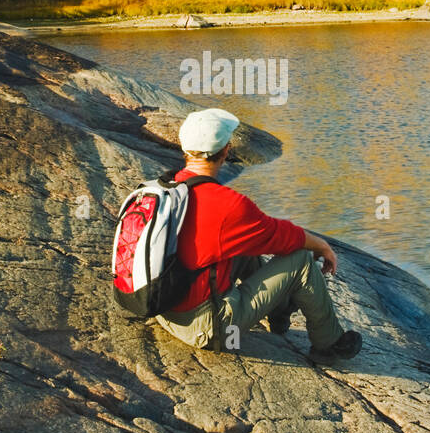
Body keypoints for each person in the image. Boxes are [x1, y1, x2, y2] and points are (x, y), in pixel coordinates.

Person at [155, 107, 362, 359]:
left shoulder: (164, 188)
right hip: (209, 328)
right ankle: (330, 343)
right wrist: (322, 246)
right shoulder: (226, 204)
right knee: (300, 261)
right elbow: (283, 237)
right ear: (226, 151)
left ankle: (278, 312)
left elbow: (261, 232)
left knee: (243, 247)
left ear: (185, 150)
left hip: (163, 310)